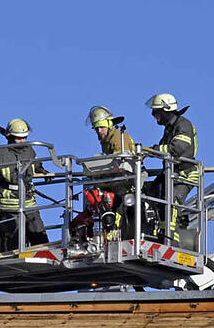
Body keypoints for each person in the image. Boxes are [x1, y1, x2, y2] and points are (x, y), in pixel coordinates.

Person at [0, 118, 48, 252]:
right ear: (10, 137)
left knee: (39, 236)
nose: (22, 141)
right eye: (19, 138)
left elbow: (36, 164)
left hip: (29, 203)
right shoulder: (0, 154)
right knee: (12, 243)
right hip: (9, 206)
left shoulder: (29, 151)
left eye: (24, 138)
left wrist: (42, 171)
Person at [75, 105, 136, 240]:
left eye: (101, 128)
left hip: (124, 182)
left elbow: (119, 164)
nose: (99, 131)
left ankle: (113, 230)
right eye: (96, 129)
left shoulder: (118, 138)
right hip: (115, 180)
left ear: (109, 125)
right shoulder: (107, 140)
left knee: (115, 203)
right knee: (93, 195)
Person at [146, 93, 199, 243]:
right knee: (148, 193)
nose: (153, 114)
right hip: (171, 173)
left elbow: (176, 148)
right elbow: (163, 148)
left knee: (171, 203)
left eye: (156, 111)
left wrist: (152, 150)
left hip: (185, 174)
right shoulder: (170, 128)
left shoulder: (183, 125)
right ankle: (156, 231)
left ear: (166, 110)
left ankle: (170, 239)